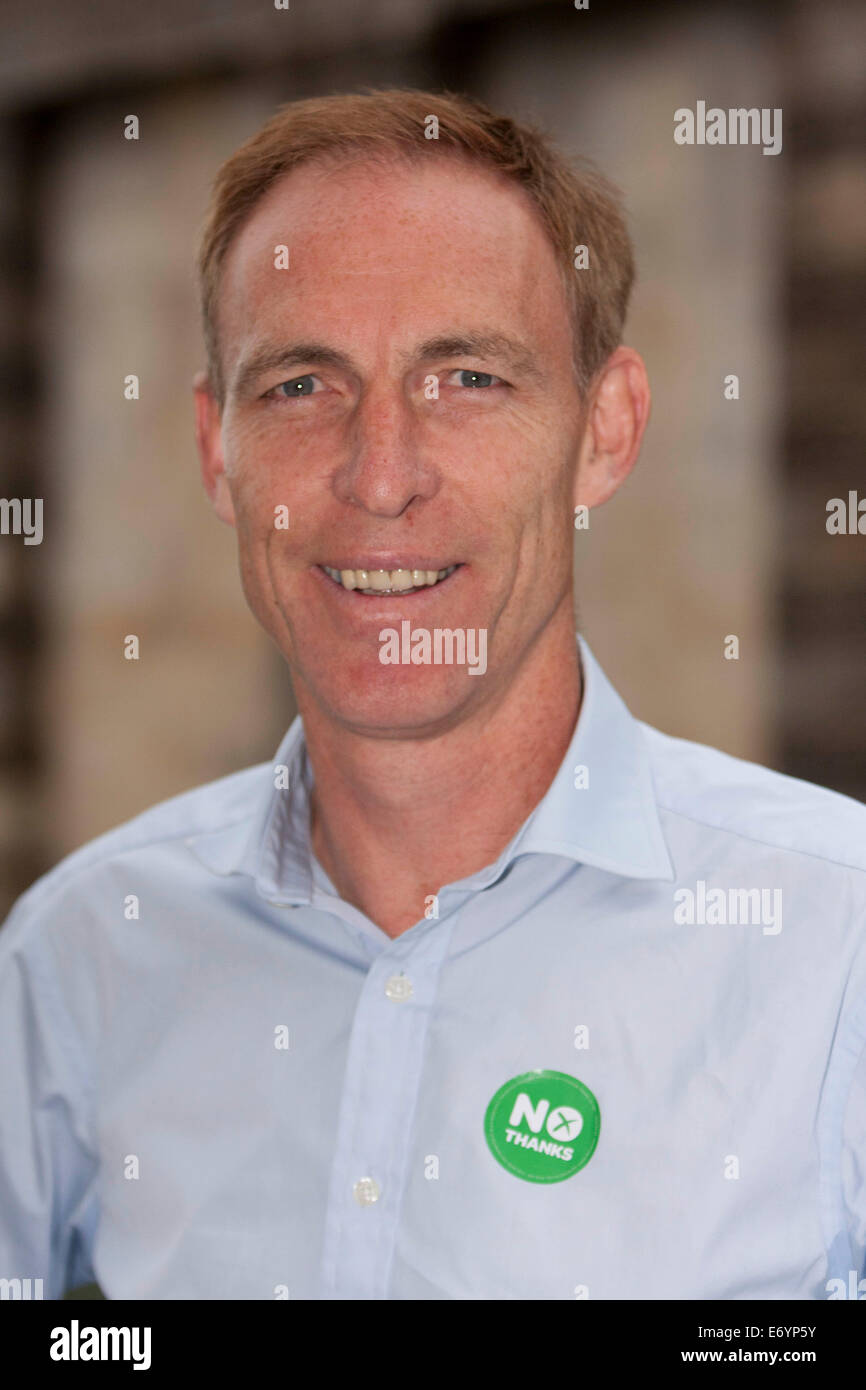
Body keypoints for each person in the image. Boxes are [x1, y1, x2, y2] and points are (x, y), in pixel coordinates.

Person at [1, 88, 864, 1302]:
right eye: (301, 385)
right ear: (216, 451)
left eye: (464, 376)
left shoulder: (836, 949)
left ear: (604, 432)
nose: (380, 475)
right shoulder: (78, 956)